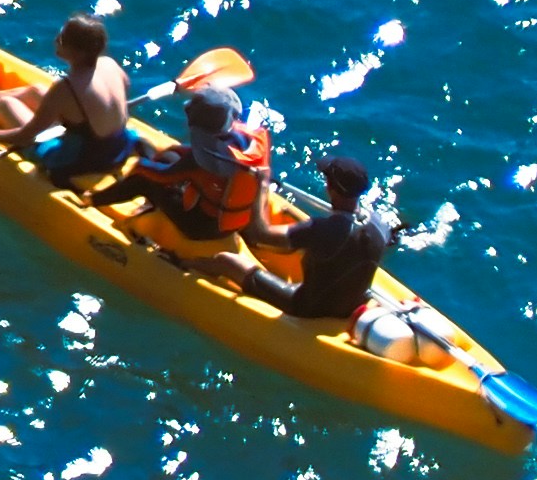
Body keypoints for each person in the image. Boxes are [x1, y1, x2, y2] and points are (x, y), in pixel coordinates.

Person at [0, 17, 136, 185]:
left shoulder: (66, 88)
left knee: (6, 106)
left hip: (79, 162)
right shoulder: (109, 64)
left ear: (78, 52)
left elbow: (26, 136)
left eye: (62, 39)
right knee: (37, 91)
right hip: (116, 148)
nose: (56, 40)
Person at [124, 82, 277, 250]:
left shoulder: (198, 161)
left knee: (146, 177)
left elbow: (161, 175)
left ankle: (93, 201)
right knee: (173, 155)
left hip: (199, 228)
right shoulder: (255, 139)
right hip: (233, 222)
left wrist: (140, 166)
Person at [255, 153, 398, 328]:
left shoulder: (320, 229)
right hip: (350, 307)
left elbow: (260, 233)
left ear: (330, 188)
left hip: (307, 309)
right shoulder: (379, 225)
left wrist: (262, 186)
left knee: (227, 261)